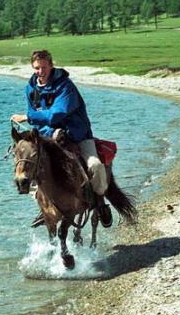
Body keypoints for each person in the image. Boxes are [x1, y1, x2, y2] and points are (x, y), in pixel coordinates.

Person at [10, 50, 112, 225]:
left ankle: (100, 201)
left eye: (43, 67)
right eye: (36, 68)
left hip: (77, 135)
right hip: (49, 136)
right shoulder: (31, 88)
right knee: (31, 163)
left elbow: (57, 114)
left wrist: (27, 116)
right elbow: (39, 120)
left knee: (94, 165)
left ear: (51, 65)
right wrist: (44, 132)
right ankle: (46, 206)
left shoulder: (66, 86)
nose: (40, 71)